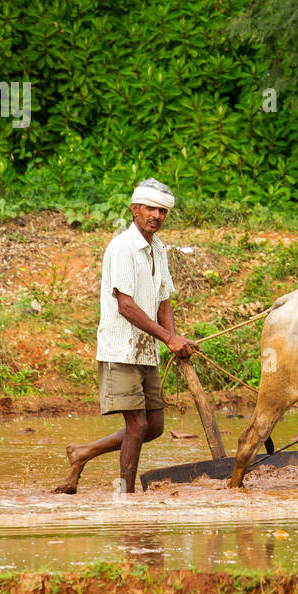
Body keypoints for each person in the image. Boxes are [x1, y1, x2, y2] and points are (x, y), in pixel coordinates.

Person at [52, 178, 194, 495]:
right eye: (150, 209)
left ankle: (83, 452)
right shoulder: (122, 247)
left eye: (162, 210)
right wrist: (168, 339)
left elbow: (163, 301)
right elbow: (126, 306)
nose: (156, 215)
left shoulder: (159, 250)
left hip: (146, 351)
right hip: (121, 350)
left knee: (154, 427)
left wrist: (173, 338)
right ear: (134, 209)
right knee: (137, 425)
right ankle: (126, 494)